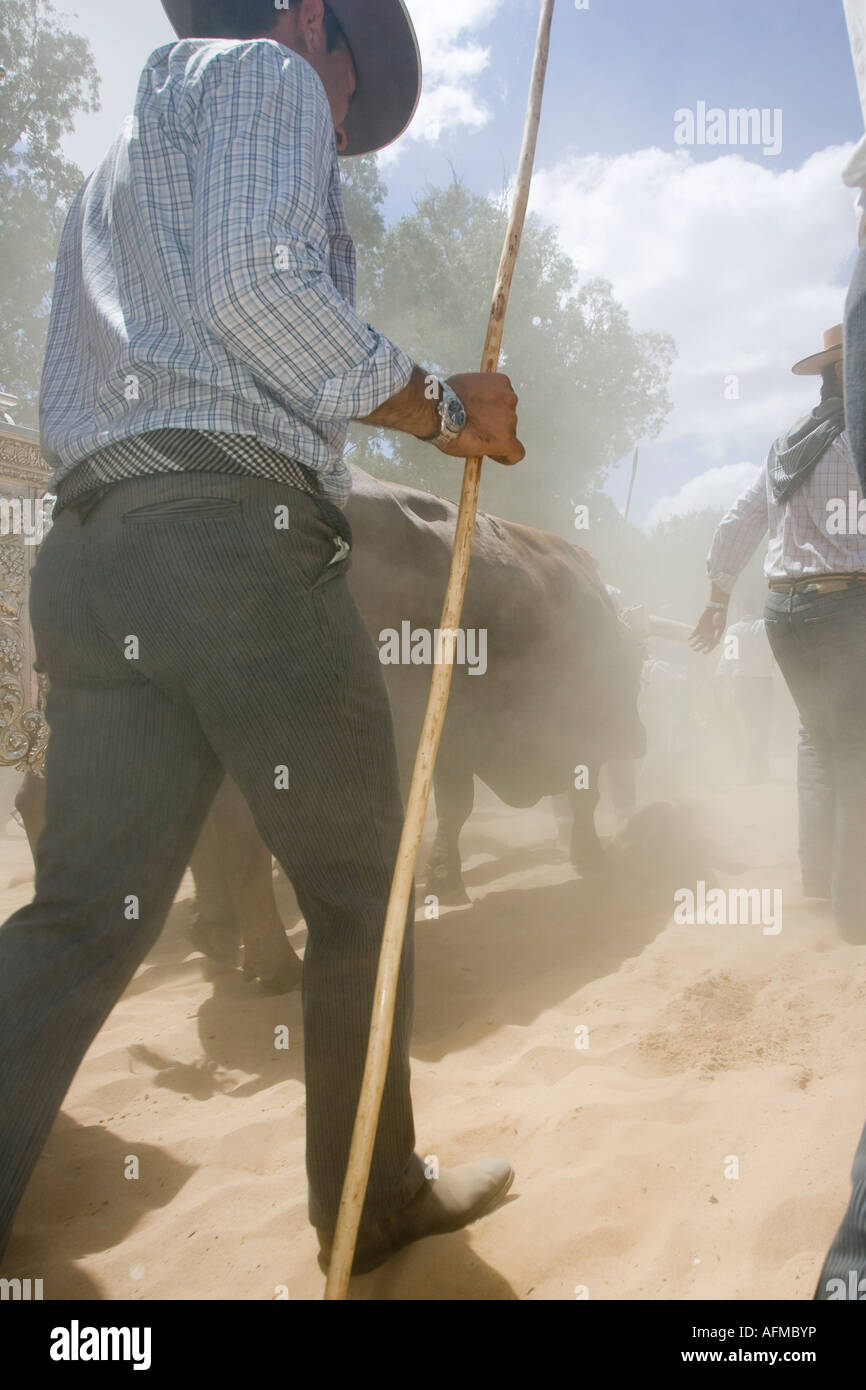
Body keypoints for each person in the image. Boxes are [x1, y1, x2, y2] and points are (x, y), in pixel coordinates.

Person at [0, 0, 524, 1278]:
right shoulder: (265, 78)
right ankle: (375, 1195)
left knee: (83, 910)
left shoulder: (113, 175)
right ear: (308, 19)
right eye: (348, 97)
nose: (335, 127)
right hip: (234, 541)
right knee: (362, 887)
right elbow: (258, 291)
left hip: (94, 552)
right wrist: (442, 406)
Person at [690, 324, 866, 944]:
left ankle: (819, 879)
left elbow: (739, 521)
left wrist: (717, 596)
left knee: (818, 736)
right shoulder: (858, 437)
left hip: (783, 612)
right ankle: (855, 907)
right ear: (847, 369)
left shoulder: (786, 444)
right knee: (856, 746)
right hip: (845, 605)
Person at [715, 604, 775, 782]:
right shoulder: (766, 626)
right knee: (762, 726)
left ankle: (752, 769)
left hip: (741, 682)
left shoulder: (734, 630)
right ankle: (760, 767)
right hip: (763, 681)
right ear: (756, 611)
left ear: (741, 612)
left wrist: (720, 676)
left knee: (748, 725)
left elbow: (728, 657)